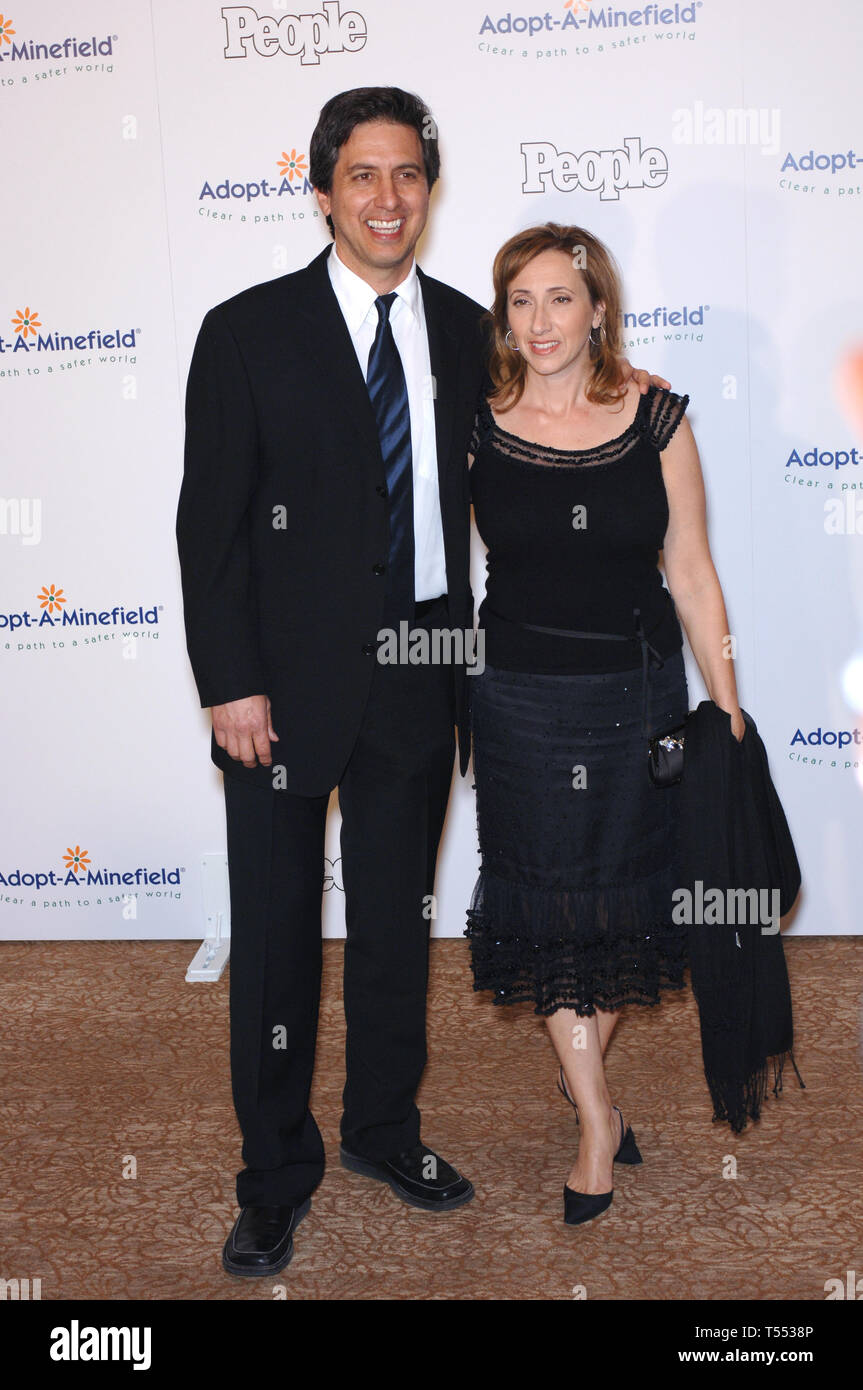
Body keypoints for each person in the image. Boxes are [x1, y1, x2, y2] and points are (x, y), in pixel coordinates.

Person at [177, 89, 664, 1277]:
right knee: (281, 941)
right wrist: (231, 681)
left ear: (428, 192)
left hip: (425, 677)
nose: (386, 198)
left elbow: (554, 435)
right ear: (323, 188)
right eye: (362, 176)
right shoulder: (244, 330)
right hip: (277, 699)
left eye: (406, 176)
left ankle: (382, 1131)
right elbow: (210, 528)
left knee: (397, 929)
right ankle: (273, 1174)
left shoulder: (466, 332)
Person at [465, 223, 745, 1227]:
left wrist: (725, 700)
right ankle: (593, 1117)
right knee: (545, 911)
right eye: (520, 301)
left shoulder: (656, 416)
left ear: (595, 308)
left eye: (559, 299)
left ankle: (588, 1079)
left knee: (623, 908)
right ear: (503, 316)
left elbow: (692, 570)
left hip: (634, 696)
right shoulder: (475, 416)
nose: (539, 321)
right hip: (515, 699)